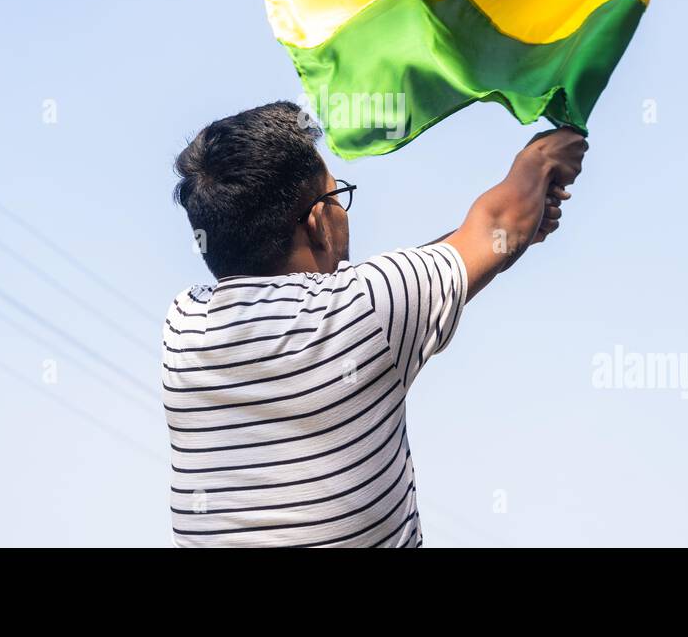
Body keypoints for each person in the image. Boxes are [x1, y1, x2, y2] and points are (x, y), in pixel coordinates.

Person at [165, 101, 586, 547]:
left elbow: (401, 282)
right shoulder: (367, 309)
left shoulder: (183, 327)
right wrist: (543, 157)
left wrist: (509, 231)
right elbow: (499, 227)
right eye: (336, 196)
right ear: (317, 222)